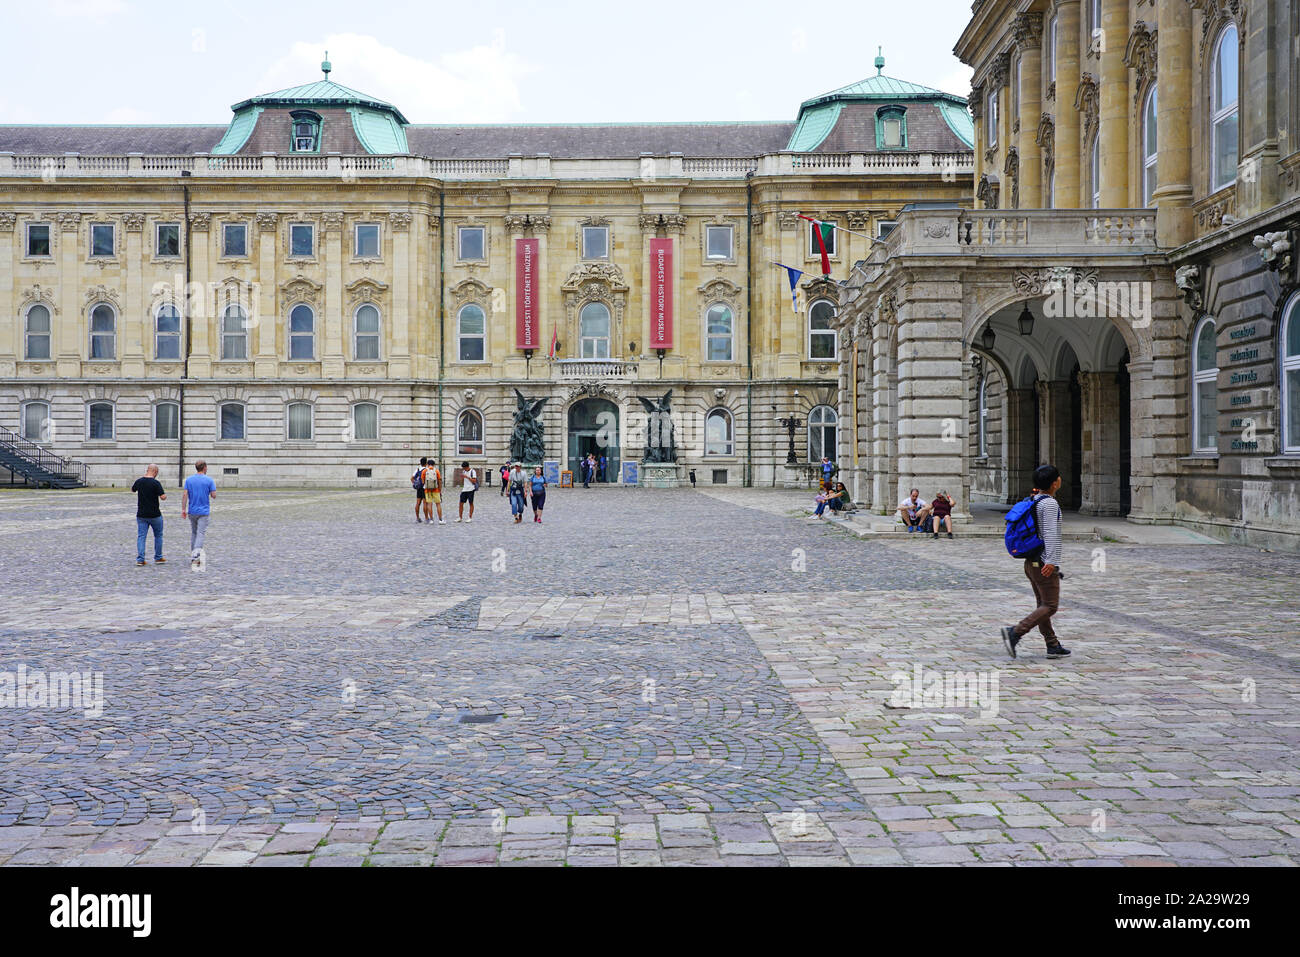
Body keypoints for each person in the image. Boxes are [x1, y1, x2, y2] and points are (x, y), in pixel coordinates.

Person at [1001, 464, 1071, 660]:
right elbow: (1050, 533)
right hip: (1042, 562)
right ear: (1055, 482)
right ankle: (1015, 632)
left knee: (1043, 605)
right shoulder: (1049, 504)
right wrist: (1051, 561)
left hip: (1031, 561)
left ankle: (1052, 644)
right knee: (1050, 606)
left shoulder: (1034, 499)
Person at [180, 459, 216, 570]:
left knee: (194, 533)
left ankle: (193, 554)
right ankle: (196, 556)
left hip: (192, 510)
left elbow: (185, 495)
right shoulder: (209, 480)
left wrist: (183, 509)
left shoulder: (189, 480)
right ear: (204, 467)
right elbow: (213, 495)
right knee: (200, 534)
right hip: (204, 511)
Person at [131, 463, 166, 566]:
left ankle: (140, 559)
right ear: (155, 471)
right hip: (155, 514)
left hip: (141, 514)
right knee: (158, 536)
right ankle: (158, 557)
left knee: (141, 536)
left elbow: (132, 490)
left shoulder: (139, 481)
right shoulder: (156, 483)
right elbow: (163, 497)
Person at [422, 458, 445, 525]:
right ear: (434, 464)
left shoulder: (424, 471)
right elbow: (439, 481)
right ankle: (440, 519)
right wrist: (440, 490)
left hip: (427, 490)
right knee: (438, 504)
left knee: (429, 504)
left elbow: (423, 482)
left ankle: (431, 519)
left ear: (427, 464)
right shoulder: (436, 471)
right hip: (436, 490)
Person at [413, 456, 428, 523]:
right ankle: (426, 518)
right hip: (425, 488)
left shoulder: (418, 469)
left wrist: (416, 484)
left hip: (419, 488)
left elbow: (412, 478)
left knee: (418, 503)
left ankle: (417, 518)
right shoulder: (427, 470)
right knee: (425, 503)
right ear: (426, 463)